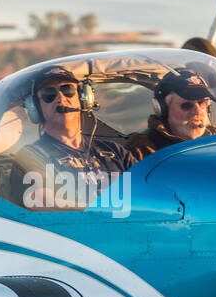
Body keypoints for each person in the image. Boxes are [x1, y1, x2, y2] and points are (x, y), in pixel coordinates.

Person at [13, 66, 132, 210]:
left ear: (83, 99)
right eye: (49, 94)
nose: (61, 98)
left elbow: (148, 189)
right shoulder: (32, 155)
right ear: (36, 108)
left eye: (67, 90)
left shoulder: (115, 151)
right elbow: (41, 202)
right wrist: (99, 211)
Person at [125, 67, 216, 162]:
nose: (198, 111)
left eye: (202, 102)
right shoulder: (141, 149)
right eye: (187, 105)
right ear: (162, 109)